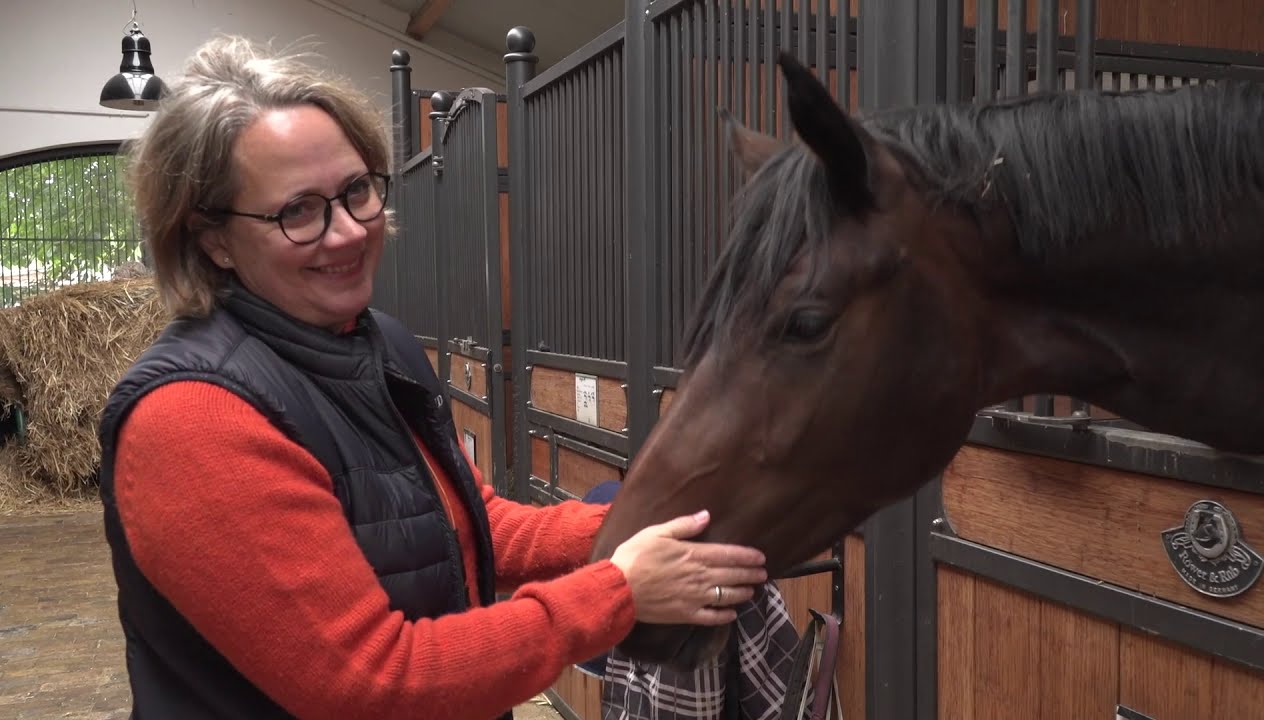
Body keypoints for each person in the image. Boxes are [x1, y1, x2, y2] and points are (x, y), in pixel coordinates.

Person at [97, 35, 768, 720]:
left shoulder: (377, 344)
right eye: (297, 210)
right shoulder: (192, 419)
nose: (347, 232)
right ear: (211, 238)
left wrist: (641, 520)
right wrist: (617, 592)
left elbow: (469, 524)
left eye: (356, 190)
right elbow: (372, 681)